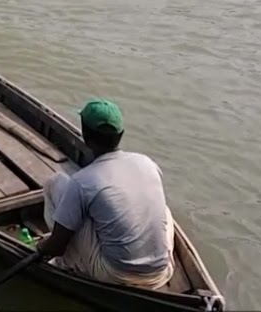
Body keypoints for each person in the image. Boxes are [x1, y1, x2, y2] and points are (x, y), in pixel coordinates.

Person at [35, 99, 175, 290]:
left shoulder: (82, 181)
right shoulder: (148, 163)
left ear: (86, 136)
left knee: (56, 182)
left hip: (116, 275)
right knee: (164, 211)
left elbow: (56, 247)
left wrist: (43, 246)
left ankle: (66, 263)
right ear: (121, 134)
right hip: (161, 272)